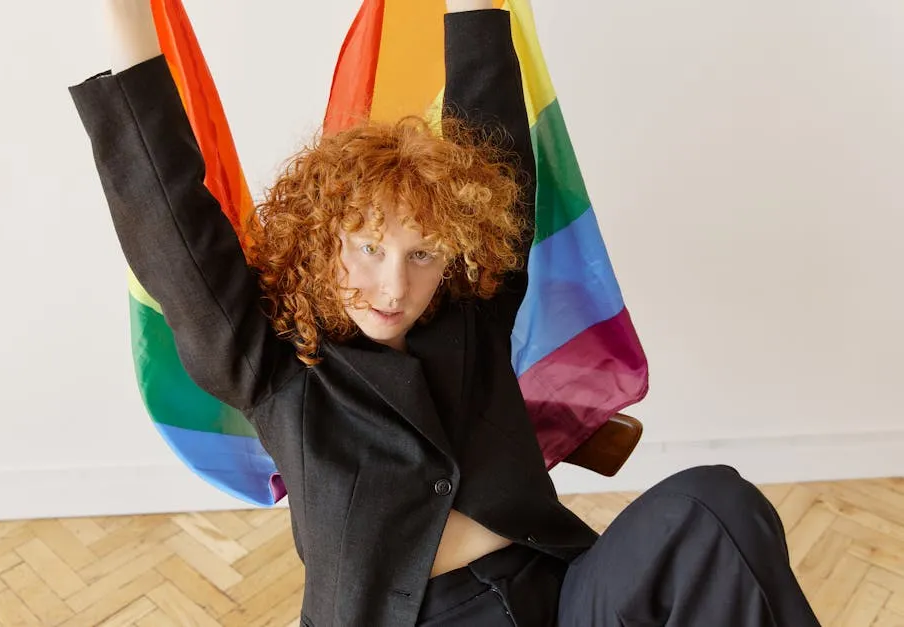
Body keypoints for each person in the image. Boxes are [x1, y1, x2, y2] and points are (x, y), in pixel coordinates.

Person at [69, 1, 822, 625]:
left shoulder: (474, 315)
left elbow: (489, 121)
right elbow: (168, 210)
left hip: (560, 601)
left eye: (422, 254)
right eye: (366, 246)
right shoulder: (272, 365)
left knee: (712, 504)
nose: (393, 284)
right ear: (323, 242)